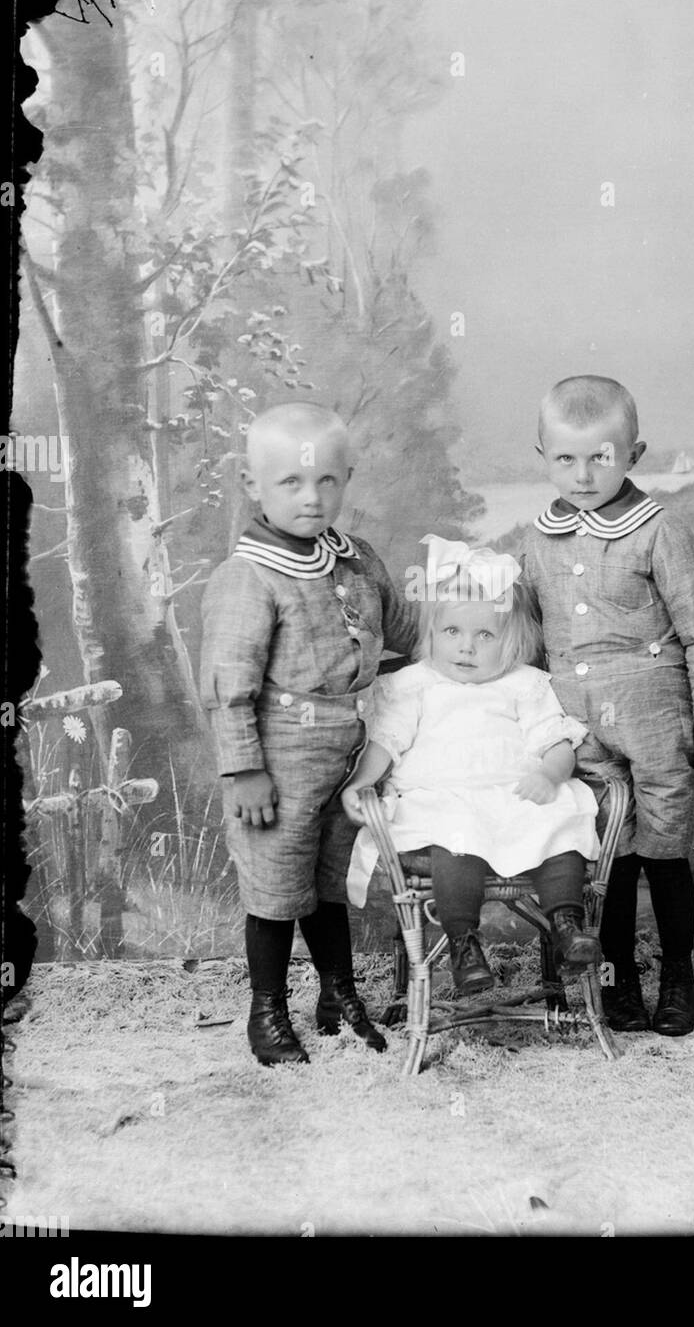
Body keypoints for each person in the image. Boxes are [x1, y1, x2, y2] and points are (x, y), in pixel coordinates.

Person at [200, 402, 416, 1065]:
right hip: (280, 759)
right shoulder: (249, 577)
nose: (312, 497)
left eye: (327, 481)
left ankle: (338, 995)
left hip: (349, 759)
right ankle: (266, 1013)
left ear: (346, 478)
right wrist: (244, 771)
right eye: (291, 483)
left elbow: (404, 639)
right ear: (251, 484)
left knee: (327, 882)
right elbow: (227, 686)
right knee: (274, 887)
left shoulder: (356, 562)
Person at [519, 376, 694, 1036]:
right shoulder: (537, 539)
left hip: (656, 716)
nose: (582, 475)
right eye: (565, 459)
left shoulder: (659, 531)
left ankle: (676, 974)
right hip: (576, 722)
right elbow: (527, 636)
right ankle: (617, 982)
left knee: (662, 849)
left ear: (632, 454)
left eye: (600, 458)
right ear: (542, 455)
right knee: (601, 853)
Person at [341, 535, 602, 994]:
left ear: (513, 642)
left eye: (485, 635)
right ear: (432, 634)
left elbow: (556, 742)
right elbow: (387, 742)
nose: (466, 648)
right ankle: (464, 943)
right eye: (452, 633)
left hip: (515, 794)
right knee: (453, 839)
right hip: (444, 799)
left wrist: (549, 774)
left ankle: (567, 924)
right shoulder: (415, 684)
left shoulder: (524, 684)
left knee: (560, 820)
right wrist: (360, 783)